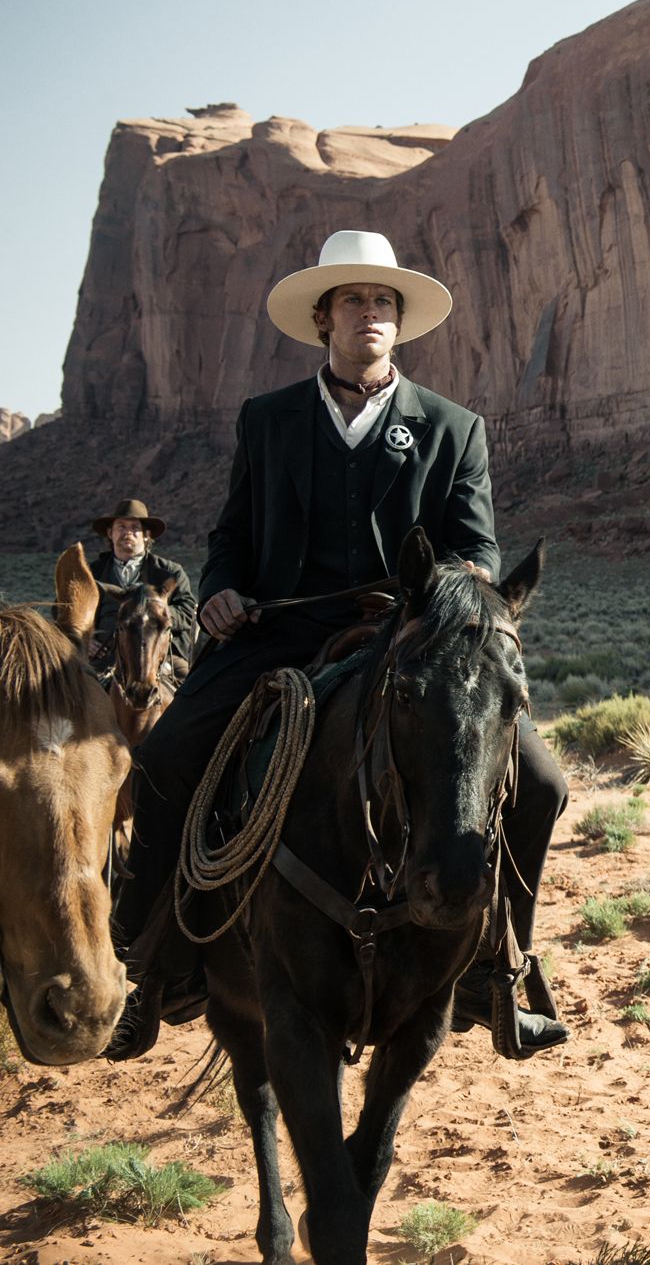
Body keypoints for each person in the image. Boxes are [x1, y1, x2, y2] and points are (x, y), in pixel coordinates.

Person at [105, 230, 570, 1061]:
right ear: (324, 318)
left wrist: (448, 586)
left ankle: (499, 972)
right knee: (168, 752)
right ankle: (153, 966)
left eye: (383, 302)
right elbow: (233, 533)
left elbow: (482, 550)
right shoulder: (268, 420)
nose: (370, 313)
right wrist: (219, 592)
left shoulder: (455, 429)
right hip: (277, 633)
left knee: (539, 781)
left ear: (400, 322)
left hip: (412, 638)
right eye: (353, 300)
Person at [84, 498, 197, 672]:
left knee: (186, 685)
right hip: (102, 659)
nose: (128, 532)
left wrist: (157, 612)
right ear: (110, 533)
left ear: (146, 535)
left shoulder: (170, 572)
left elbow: (188, 611)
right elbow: (66, 608)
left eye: (135, 528)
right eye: (121, 527)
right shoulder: (91, 573)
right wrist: (84, 637)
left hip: (158, 659)